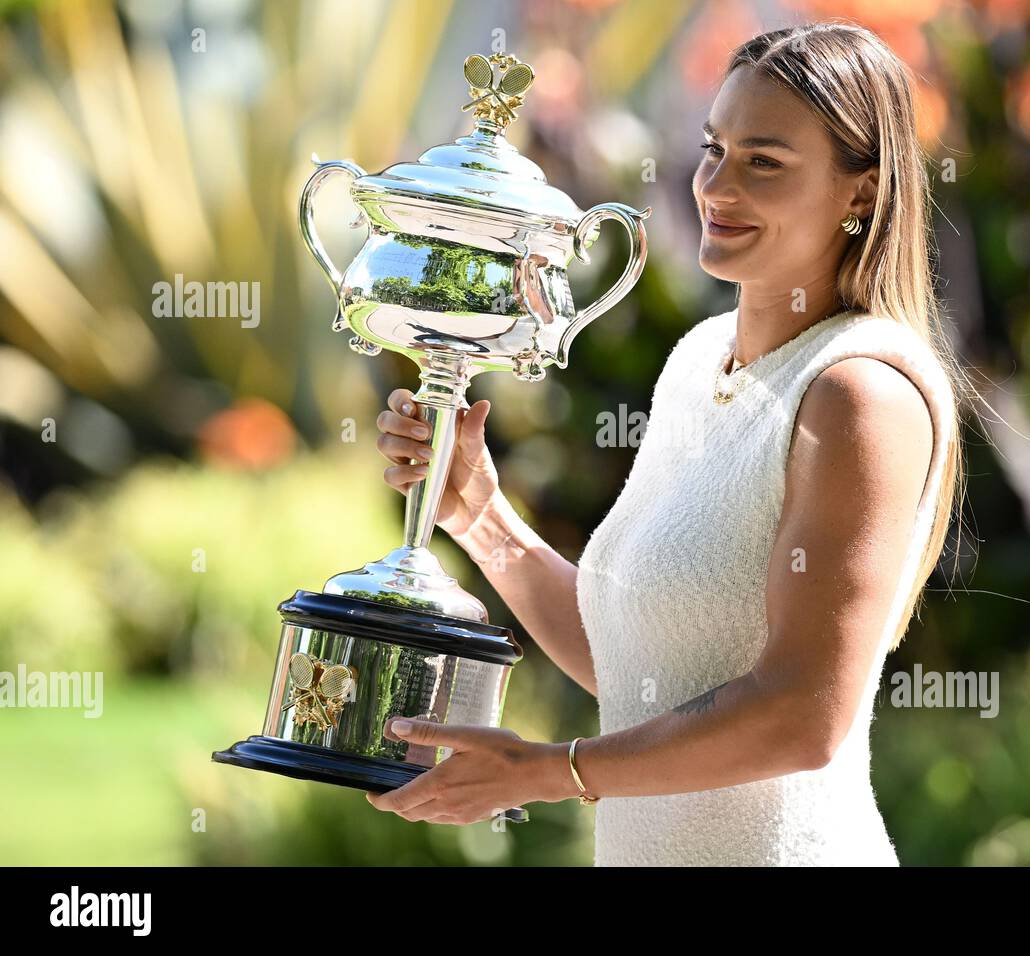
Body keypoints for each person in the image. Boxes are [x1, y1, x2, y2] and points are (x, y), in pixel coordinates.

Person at [367, 20, 966, 866]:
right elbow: (638, 668)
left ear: (860, 192)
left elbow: (804, 716)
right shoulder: (696, 361)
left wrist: (550, 772)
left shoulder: (858, 394)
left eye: (765, 161)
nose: (716, 185)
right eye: (713, 147)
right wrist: (481, 516)